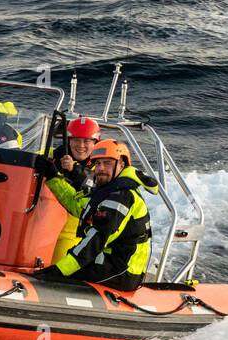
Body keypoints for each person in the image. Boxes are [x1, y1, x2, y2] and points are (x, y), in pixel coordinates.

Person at [36, 139, 159, 291]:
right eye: (98, 163)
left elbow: (96, 240)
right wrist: (53, 176)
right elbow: (77, 205)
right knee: (67, 266)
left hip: (123, 271)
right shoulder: (108, 190)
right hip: (110, 261)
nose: (100, 168)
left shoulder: (122, 196)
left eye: (107, 163)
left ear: (121, 164)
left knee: (63, 274)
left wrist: (59, 270)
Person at [50, 116, 100, 262]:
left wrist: (74, 169)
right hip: (43, 223)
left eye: (86, 141)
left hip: (74, 233)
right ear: (68, 140)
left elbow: (95, 185)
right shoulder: (52, 156)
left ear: (95, 143)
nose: (81, 145)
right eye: (76, 140)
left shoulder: (101, 165)